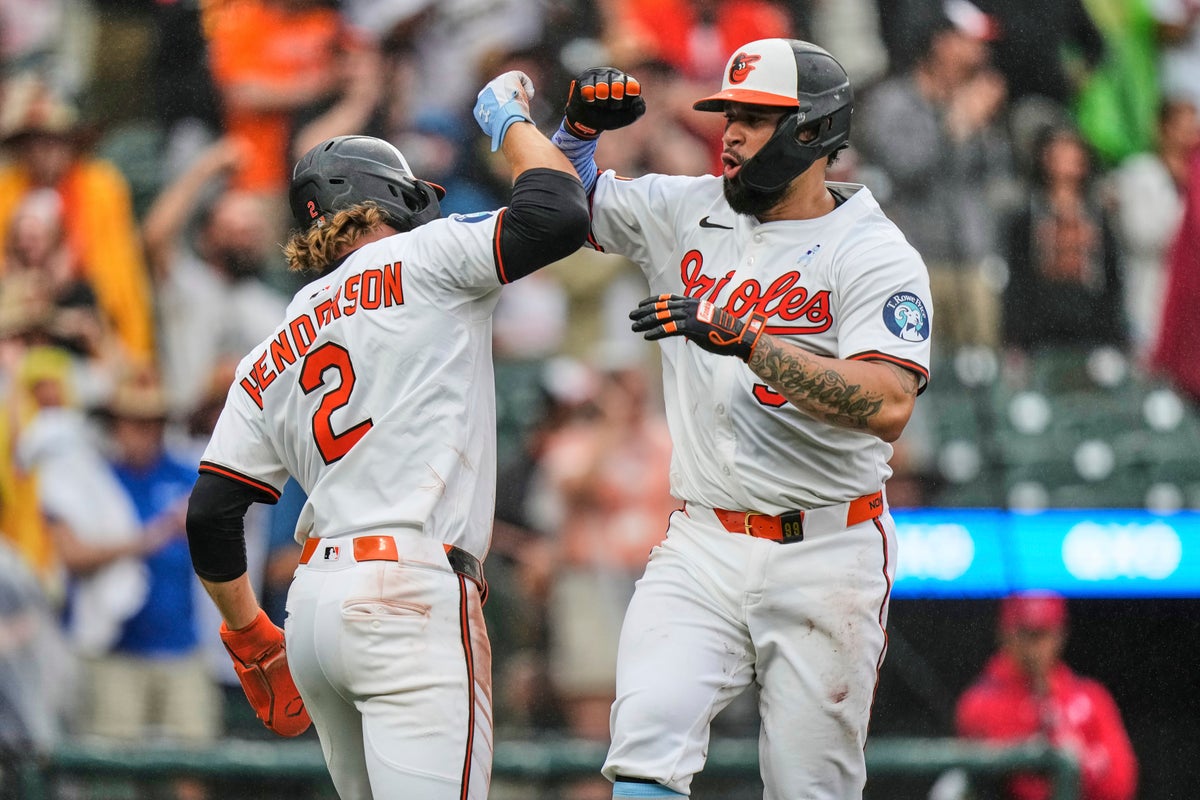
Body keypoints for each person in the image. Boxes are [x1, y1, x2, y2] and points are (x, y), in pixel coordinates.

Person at [185, 70, 589, 800]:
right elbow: (559, 214)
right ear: (389, 197)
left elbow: (211, 512)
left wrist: (250, 638)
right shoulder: (426, 258)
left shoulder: (271, 341)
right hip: (411, 590)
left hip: (313, 608)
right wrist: (509, 122)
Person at [551, 39, 932, 799]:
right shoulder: (687, 208)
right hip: (703, 539)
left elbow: (888, 402)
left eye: (756, 119)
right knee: (643, 751)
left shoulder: (873, 251)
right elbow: (566, 203)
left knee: (806, 788)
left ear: (814, 132)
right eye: (730, 114)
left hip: (827, 546)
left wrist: (749, 342)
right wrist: (572, 135)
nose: (731, 133)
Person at [956, 591, 1138, 800]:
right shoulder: (979, 702)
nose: (1034, 647)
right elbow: (1027, 791)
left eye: (1042, 634)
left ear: (1060, 634)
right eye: (1025, 634)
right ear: (1005, 634)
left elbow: (1121, 786)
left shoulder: (1090, 697)